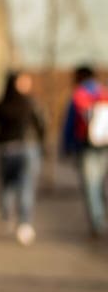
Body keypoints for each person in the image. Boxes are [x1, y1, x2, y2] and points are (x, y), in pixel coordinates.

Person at [0, 71, 45, 245]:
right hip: (23, 149)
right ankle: (21, 223)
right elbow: (41, 126)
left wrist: (0, 140)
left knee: (12, 186)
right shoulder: (29, 103)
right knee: (20, 187)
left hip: (11, 149)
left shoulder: (0, 105)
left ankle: (12, 220)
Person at [62, 65, 108, 238]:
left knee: (91, 186)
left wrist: (66, 148)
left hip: (86, 146)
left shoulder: (79, 95)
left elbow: (69, 125)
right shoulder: (104, 92)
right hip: (105, 144)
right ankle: (102, 218)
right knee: (102, 184)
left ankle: (97, 223)